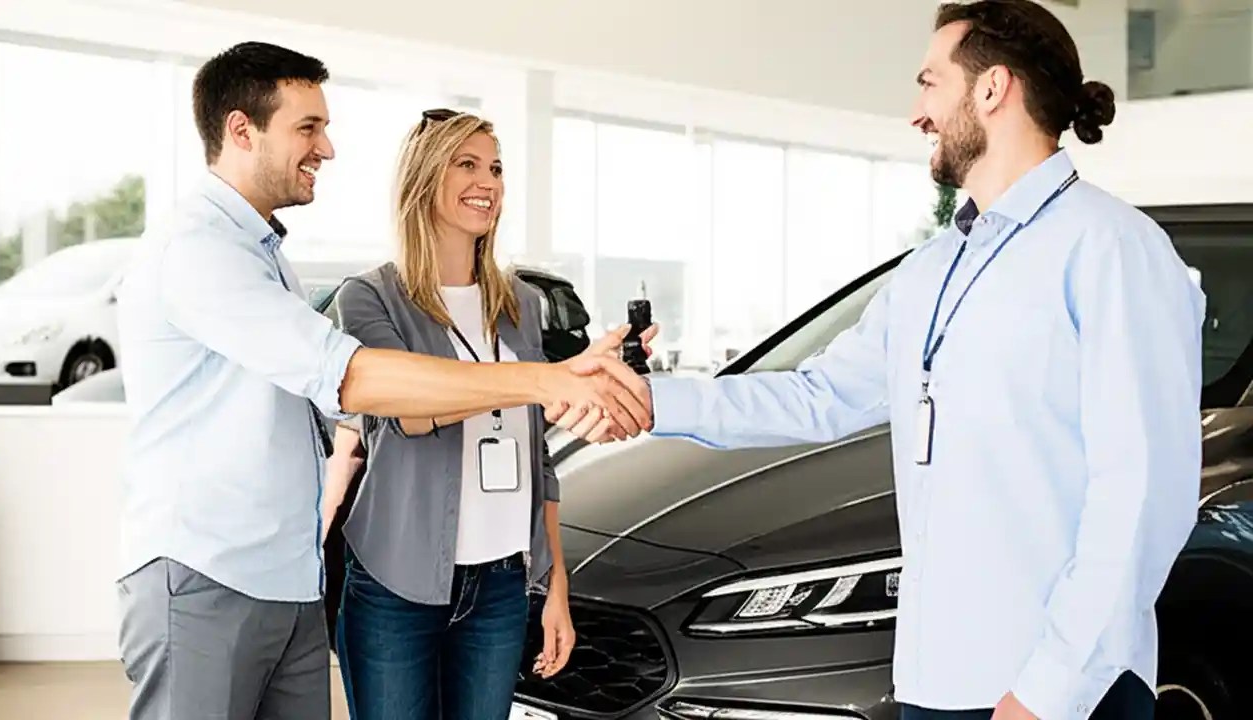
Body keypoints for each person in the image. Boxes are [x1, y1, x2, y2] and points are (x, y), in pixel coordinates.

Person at [551, 2, 1205, 719]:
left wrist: (1047, 692)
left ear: (991, 90)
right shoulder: (933, 266)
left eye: (930, 82)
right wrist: (649, 400)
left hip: (1062, 692)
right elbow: (817, 395)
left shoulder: (1113, 249)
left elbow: (1141, 497)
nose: (916, 111)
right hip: (934, 680)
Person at [114, 42, 651, 720]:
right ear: (241, 130)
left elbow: (521, 447)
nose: (328, 147)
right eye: (308, 127)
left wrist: (573, 385)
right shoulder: (199, 252)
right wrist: (544, 381)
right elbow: (355, 382)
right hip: (207, 574)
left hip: (287, 575)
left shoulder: (265, 255)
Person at [320, 109, 653, 720]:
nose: (489, 182)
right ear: (424, 178)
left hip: (501, 584)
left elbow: (537, 455)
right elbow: (409, 416)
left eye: (496, 168)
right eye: (467, 164)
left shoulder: (521, 302)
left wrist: (555, 585)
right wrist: (541, 380)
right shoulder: (369, 297)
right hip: (396, 582)